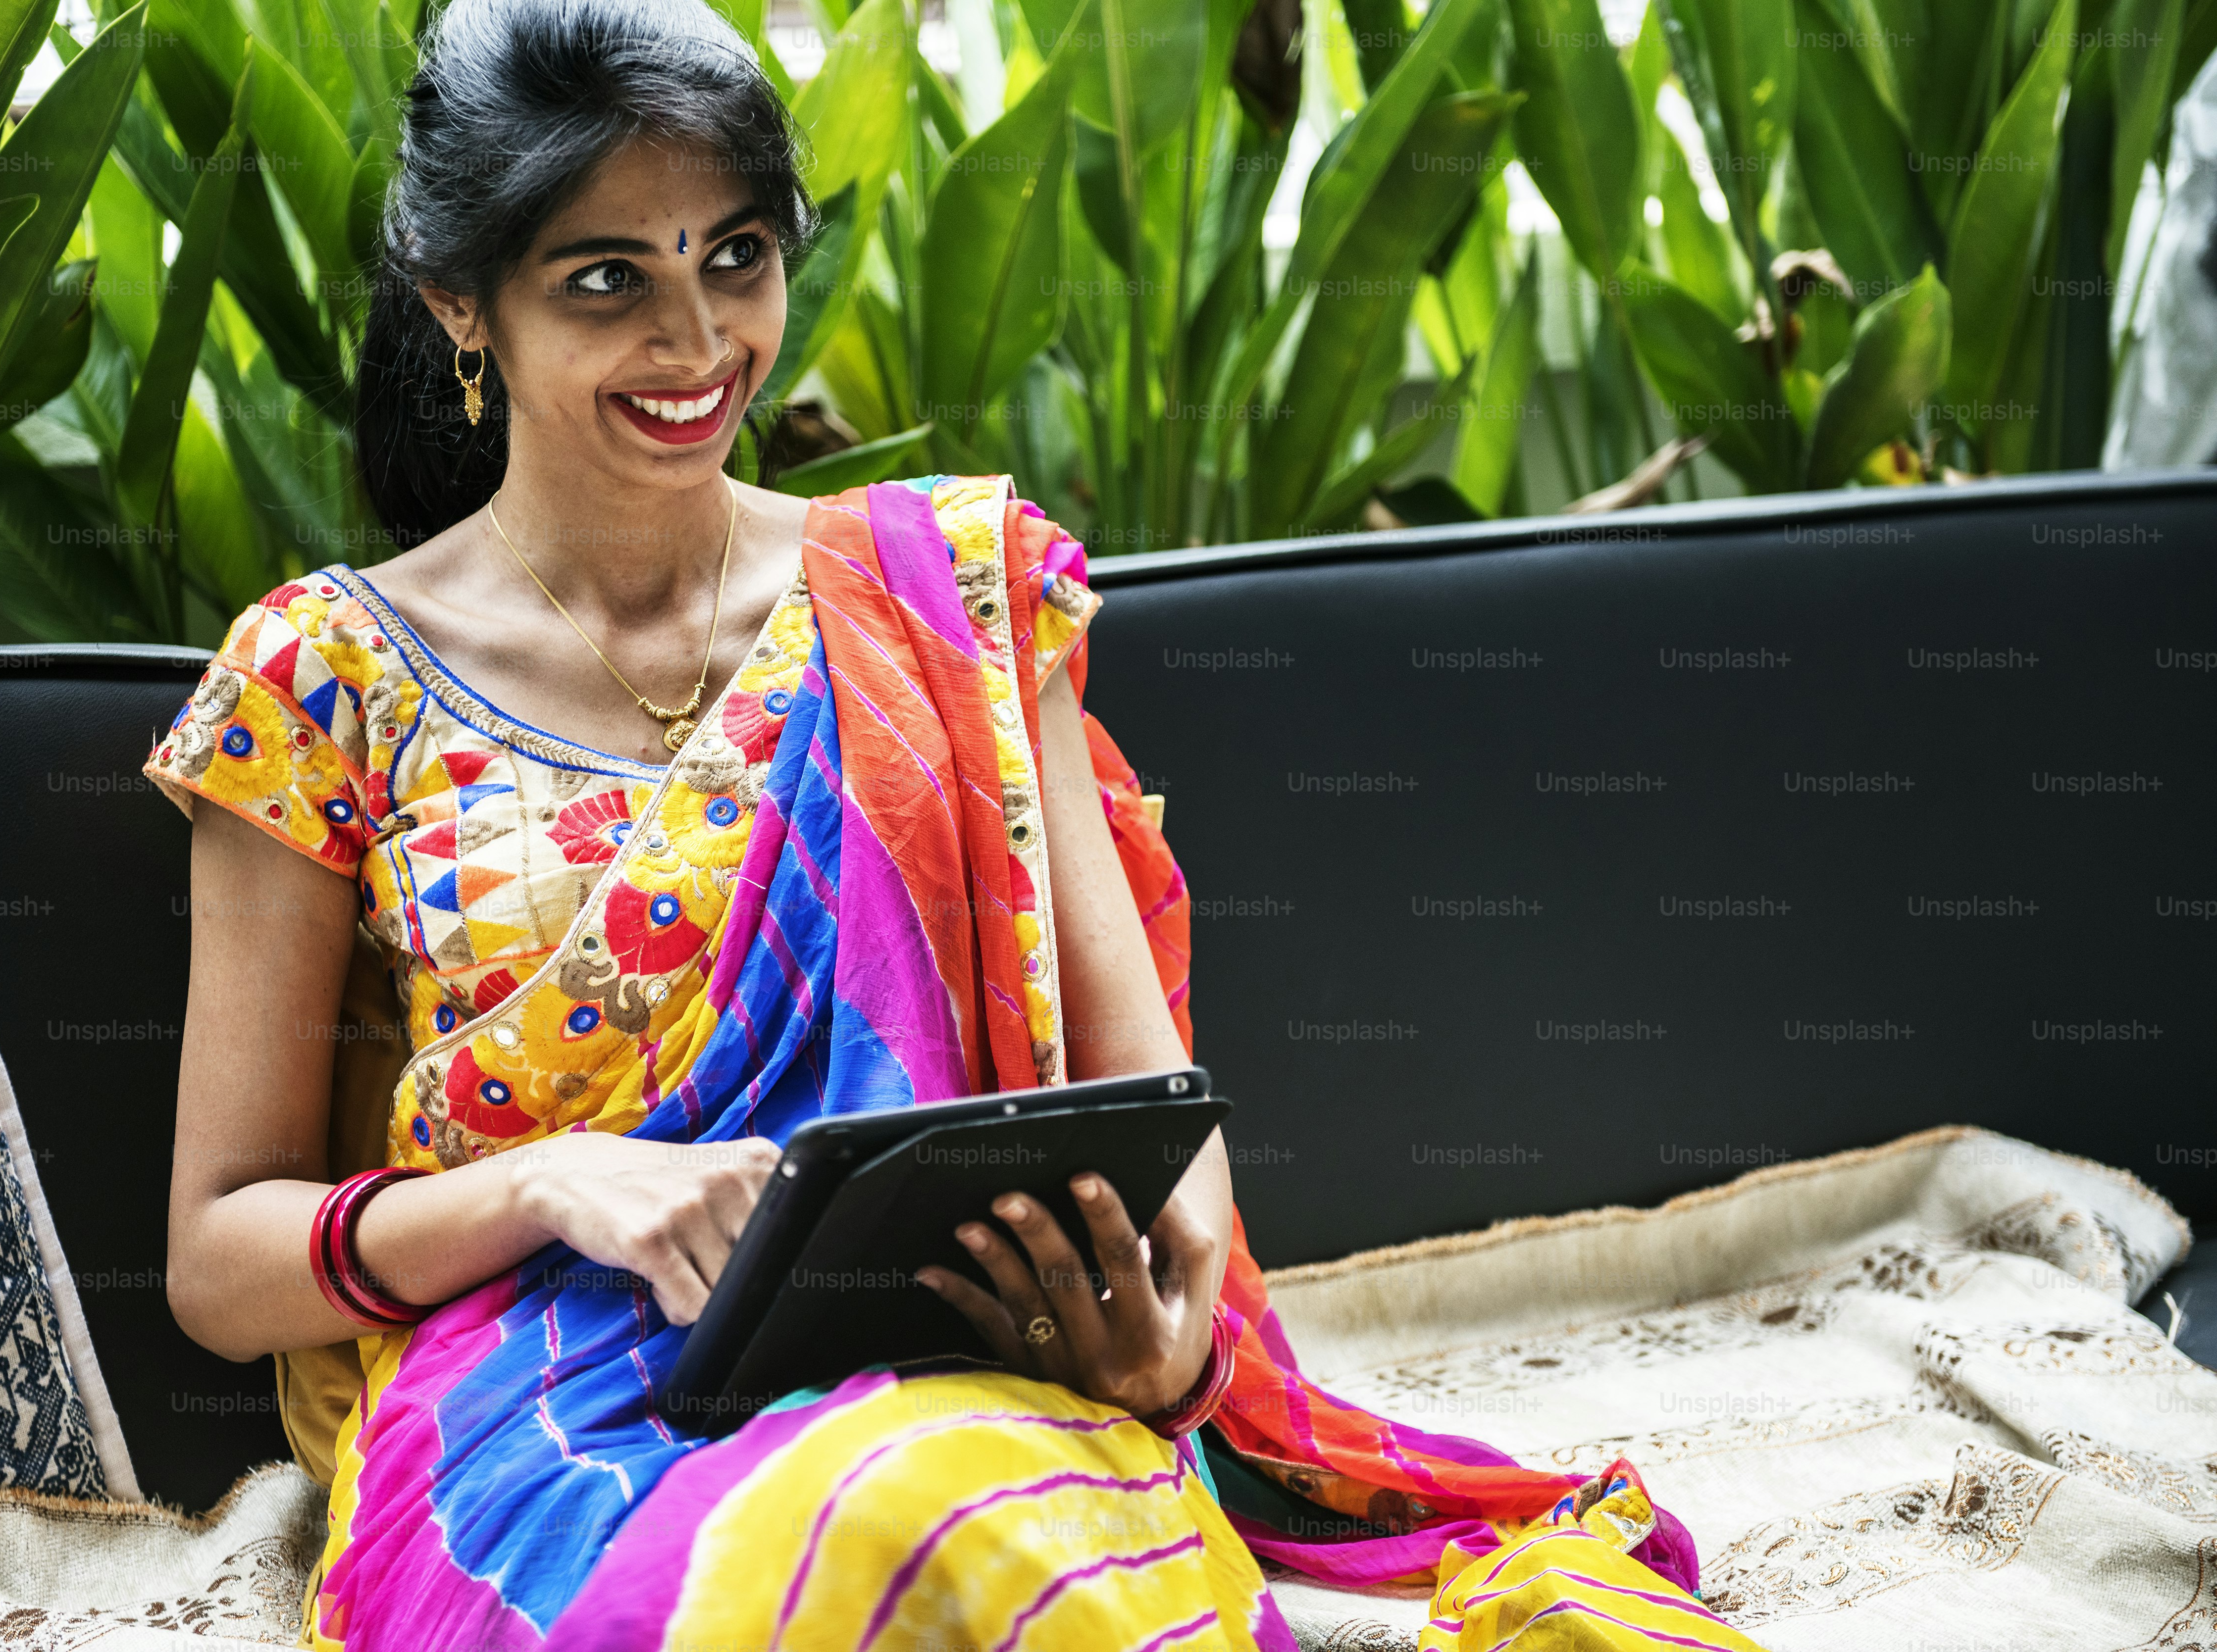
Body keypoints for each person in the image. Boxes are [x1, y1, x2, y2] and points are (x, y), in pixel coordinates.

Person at [143, 1, 1760, 1646]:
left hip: (974, 1379)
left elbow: (1155, 1113)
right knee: (796, 1566)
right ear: (458, 303)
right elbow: (221, 1253)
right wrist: (555, 1186)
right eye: (608, 277)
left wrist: (1168, 1348)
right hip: (544, 1426)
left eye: (740, 254)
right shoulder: (325, 677)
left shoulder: (949, 593)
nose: (698, 341)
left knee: (962, 1521)